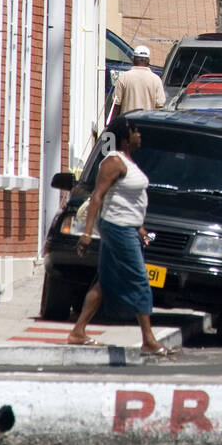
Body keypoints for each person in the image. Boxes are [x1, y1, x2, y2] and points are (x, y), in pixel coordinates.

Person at [66, 116, 172, 357]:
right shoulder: (113, 162)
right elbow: (97, 197)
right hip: (117, 229)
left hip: (128, 228)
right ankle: (148, 340)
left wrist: (140, 227)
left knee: (104, 282)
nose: (140, 136)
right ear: (126, 137)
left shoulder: (128, 161)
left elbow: (129, 200)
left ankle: (78, 332)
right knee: (140, 280)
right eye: (136, 132)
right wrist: (86, 234)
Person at [111, 46, 165, 115]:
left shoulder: (124, 77)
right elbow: (160, 104)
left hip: (127, 122)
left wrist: (113, 122)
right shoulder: (156, 79)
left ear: (133, 58)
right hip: (146, 122)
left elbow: (116, 103)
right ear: (148, 60)